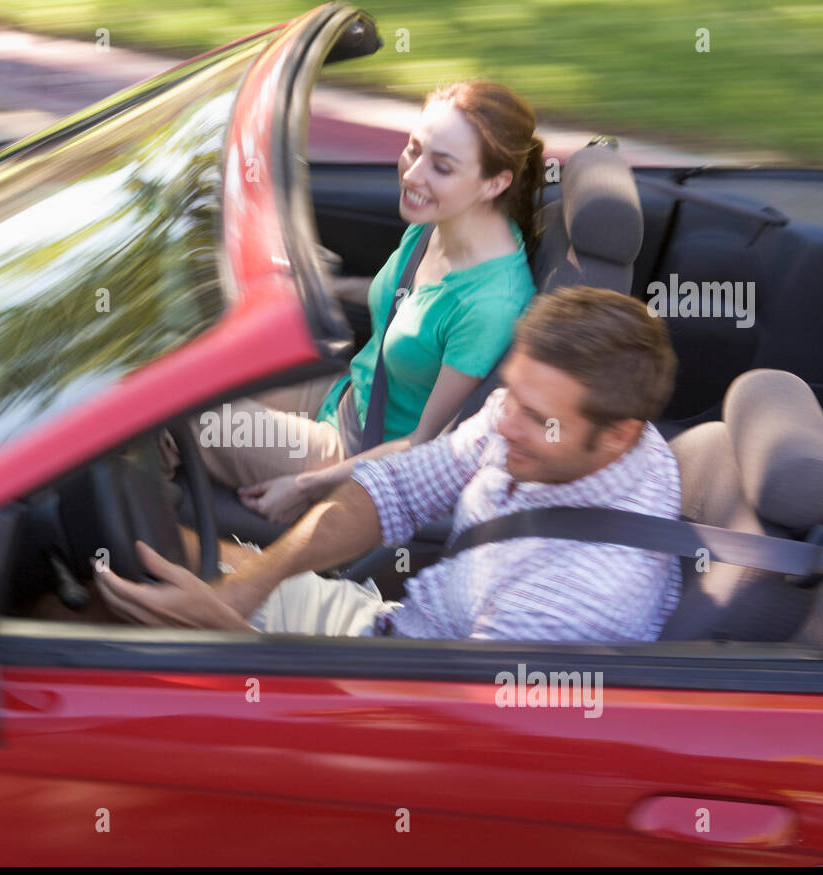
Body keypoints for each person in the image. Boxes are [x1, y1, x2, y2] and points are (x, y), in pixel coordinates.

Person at [97, 286, 683, 643]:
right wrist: (253, 583)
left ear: (618, 436)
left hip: (385, 700)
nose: (503, 423)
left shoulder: (577, 605)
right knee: (140, 557)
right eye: (510, 395)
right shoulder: (578, 425)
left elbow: (437, 741)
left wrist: (228, 638)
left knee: (115, 615)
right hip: (387, 630)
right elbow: (398, 489)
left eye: (534, 415)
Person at [178, 80, 542, 524]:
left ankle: (119, 559)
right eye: (414, 148)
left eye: (441, 167)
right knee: (185, 370)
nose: (412, 174)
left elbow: (427, 446)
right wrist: (327, 287)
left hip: (355, 457)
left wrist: (305, 486)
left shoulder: (490, 305)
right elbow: (408, 300)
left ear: (494, 183)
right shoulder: (438, 225)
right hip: (343, 392)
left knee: (174, 415)